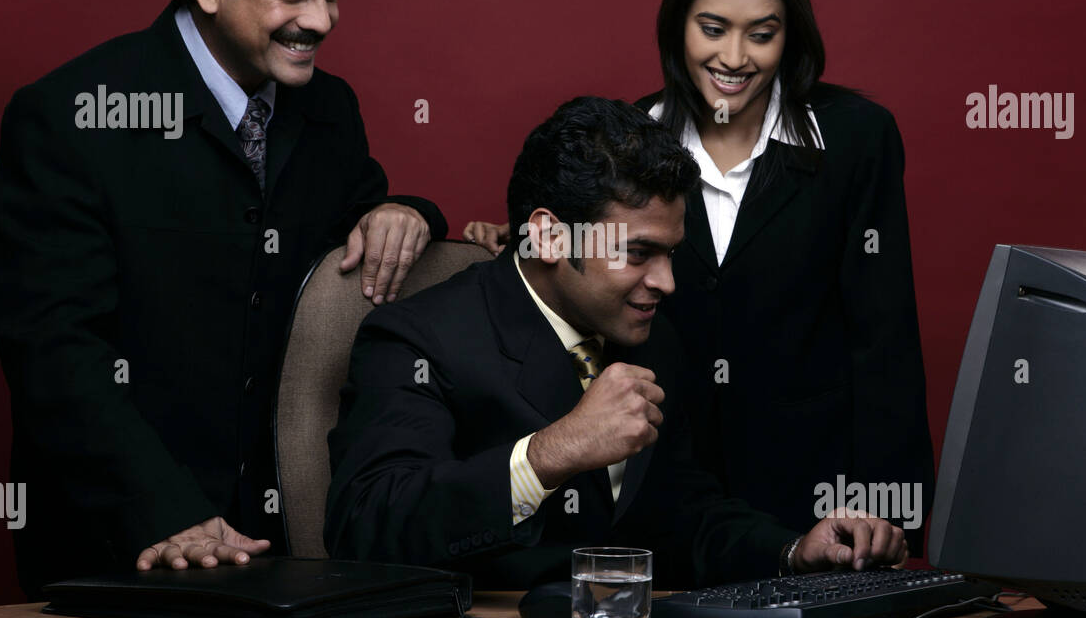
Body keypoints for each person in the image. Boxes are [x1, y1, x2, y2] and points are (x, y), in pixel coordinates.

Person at [0, 0, 447, 598]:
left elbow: (363, 218)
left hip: (289, 552)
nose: (322, 21)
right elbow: (53, 353)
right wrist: (167, 513)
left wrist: (408, 211)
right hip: (118, 548)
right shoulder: (68, 116)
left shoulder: (329, 110)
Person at [465, 0, 934, 553]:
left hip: (817, 496)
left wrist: (888, 507)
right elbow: (572, 275)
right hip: (665, 493)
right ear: (677, 23)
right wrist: (526, 242)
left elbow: (885, 340)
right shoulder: (630, 141)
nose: (734, 58)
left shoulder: (857, 139)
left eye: (761, 34)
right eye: (712, 29)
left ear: (790, 34)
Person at [326, 97, 907, 589]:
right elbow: (366, 524)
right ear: (550, 236)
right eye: (638, 253)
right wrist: (552, 453)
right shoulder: (417, 339)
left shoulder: (653, 340)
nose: (667, 282)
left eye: (671, 253)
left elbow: (685, 513)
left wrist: (792, 552)